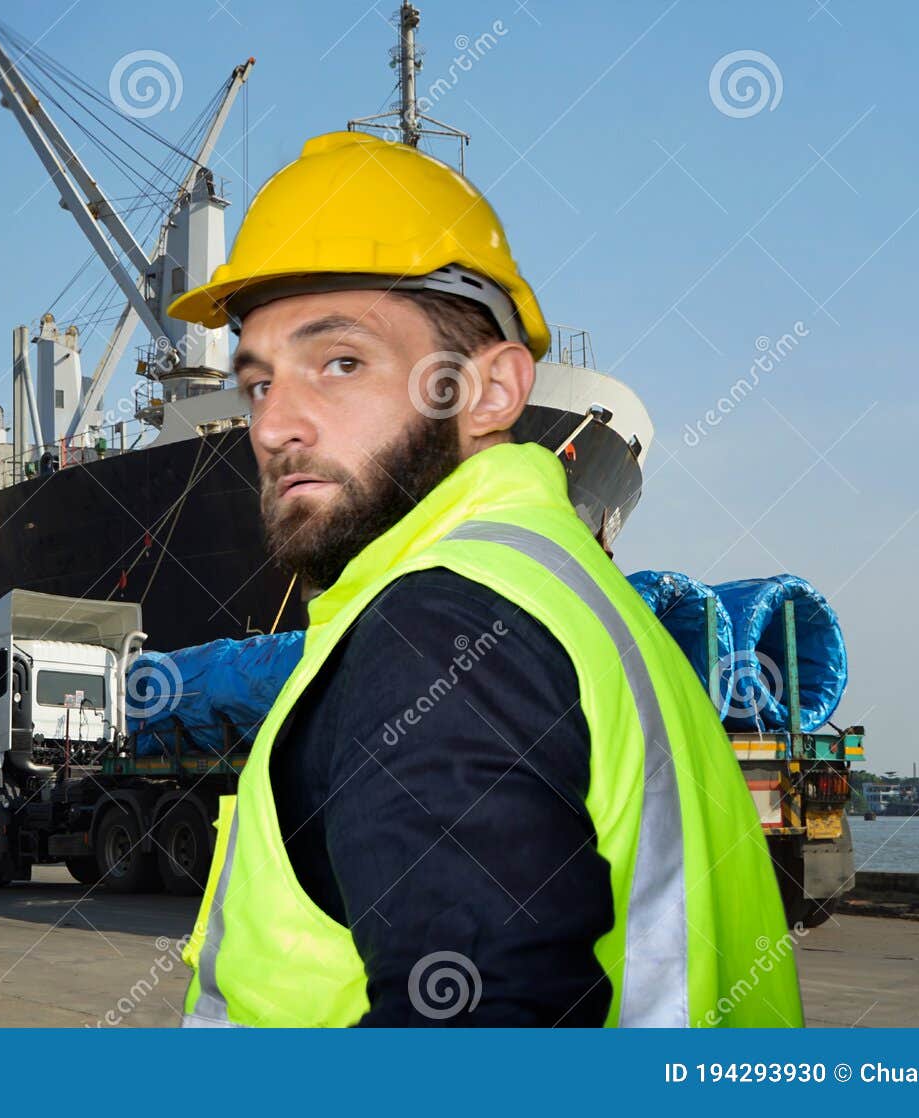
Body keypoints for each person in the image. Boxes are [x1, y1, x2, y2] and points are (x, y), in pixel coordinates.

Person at [166, 131, 803, 1028]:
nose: (275, 427)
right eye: (259, 383)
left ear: (492, 391)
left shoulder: (437, 632)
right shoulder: (576, 605)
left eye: (341, 362)